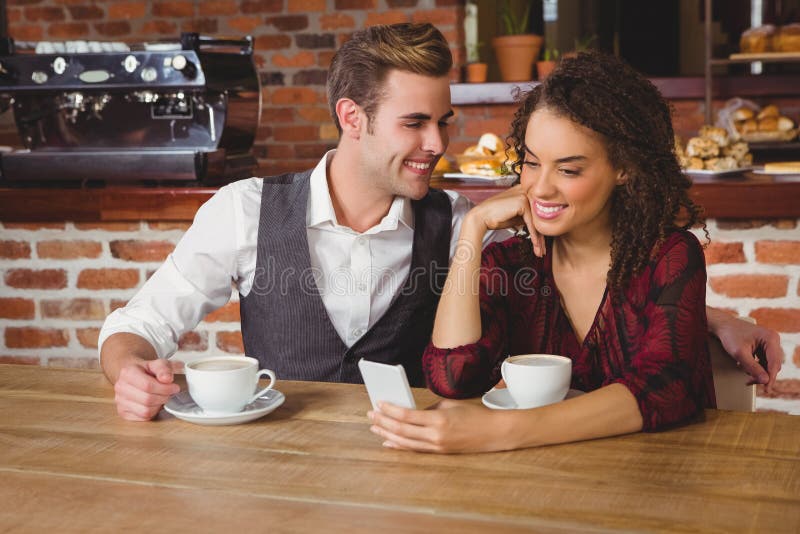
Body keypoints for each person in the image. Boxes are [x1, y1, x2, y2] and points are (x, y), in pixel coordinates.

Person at [99, 23, 780, 422]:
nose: (438, 143)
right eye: (415, 123)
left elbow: (587, 273)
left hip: (419, 475)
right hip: (274, 478)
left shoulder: (461, 222)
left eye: (444, 120)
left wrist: (712, 317)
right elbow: (137, 325)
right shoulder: (246, 211)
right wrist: (129, 370)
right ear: (351, 119)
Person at [367, 51, 779, 454]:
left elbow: (665, 388)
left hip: (661, 480)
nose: (541, 188)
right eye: (531, 163)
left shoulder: (669, 256)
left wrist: (501, 431)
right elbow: (452, 376)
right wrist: (472, 233)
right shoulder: (512, 264)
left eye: (568, 170)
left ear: (624, 169)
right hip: (554, 484)